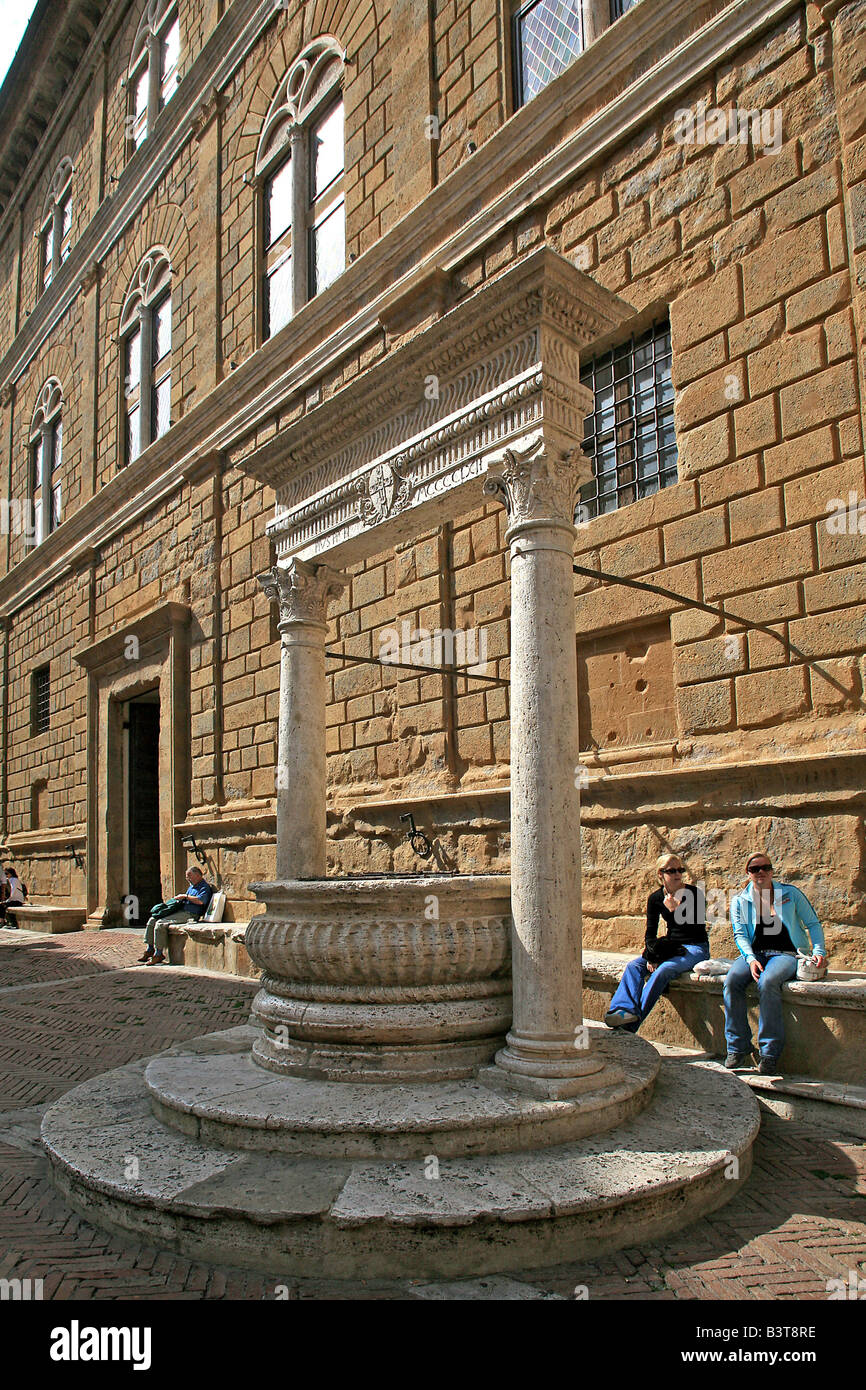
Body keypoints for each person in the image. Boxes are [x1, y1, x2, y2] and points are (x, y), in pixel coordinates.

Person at [723, 851, 826, 1075]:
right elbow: (739, 935)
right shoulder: (740, 900)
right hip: (755, 954)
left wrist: (818, 950)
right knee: (731, 980)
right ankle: (737, 1046)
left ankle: (769, 1053)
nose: (761, 872)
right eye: (754, 869)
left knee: (768, 981)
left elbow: (813, 923)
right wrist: (750, 959)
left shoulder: (790, 893)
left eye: (765, 867)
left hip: (786, 954)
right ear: (747, 873)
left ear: (772, 870)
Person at [604, 852, 710, 1032]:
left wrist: (677, 911)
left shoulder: (694, 894)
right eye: (672, 871)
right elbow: (650, 933)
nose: (677, 874)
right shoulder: (655, 898)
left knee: (663, 971)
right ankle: (622, 1009)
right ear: (661, 874)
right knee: (634, 966)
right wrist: (652, 956)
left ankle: (630, 1026)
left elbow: (695, 929)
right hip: (670, 948)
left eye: (680, 870)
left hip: (695, 948)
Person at [137, 866, 214, 966]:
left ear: (197, 875)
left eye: (189, 876)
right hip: (181, 910)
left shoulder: (204, 887)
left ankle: (158, 954)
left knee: (160, 924)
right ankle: (149, 949)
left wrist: (185, 896)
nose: (187, 879)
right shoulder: (191, 887)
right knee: (153, 920)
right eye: (187, 876)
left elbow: (201, 901)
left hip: (190, 914)